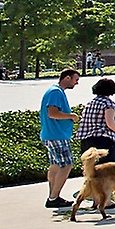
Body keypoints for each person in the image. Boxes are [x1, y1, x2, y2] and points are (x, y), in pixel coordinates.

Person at [41, 69, 80, 208]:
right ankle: (53, 197)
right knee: (66, 164)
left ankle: (53, 196)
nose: (76, 83)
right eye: (75, 80)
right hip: (57, 135)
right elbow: (52, 113)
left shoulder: (55, 91)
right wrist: (71, 116)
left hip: (52, 135)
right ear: (67, 78)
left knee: (56, 165)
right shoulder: (55, 92)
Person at [76, 78, 115, 164]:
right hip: (103, 141)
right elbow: (110, 122)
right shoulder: (108, 104)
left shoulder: (90, 103)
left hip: (86, 141)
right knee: (106, 170)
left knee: (91, 170)